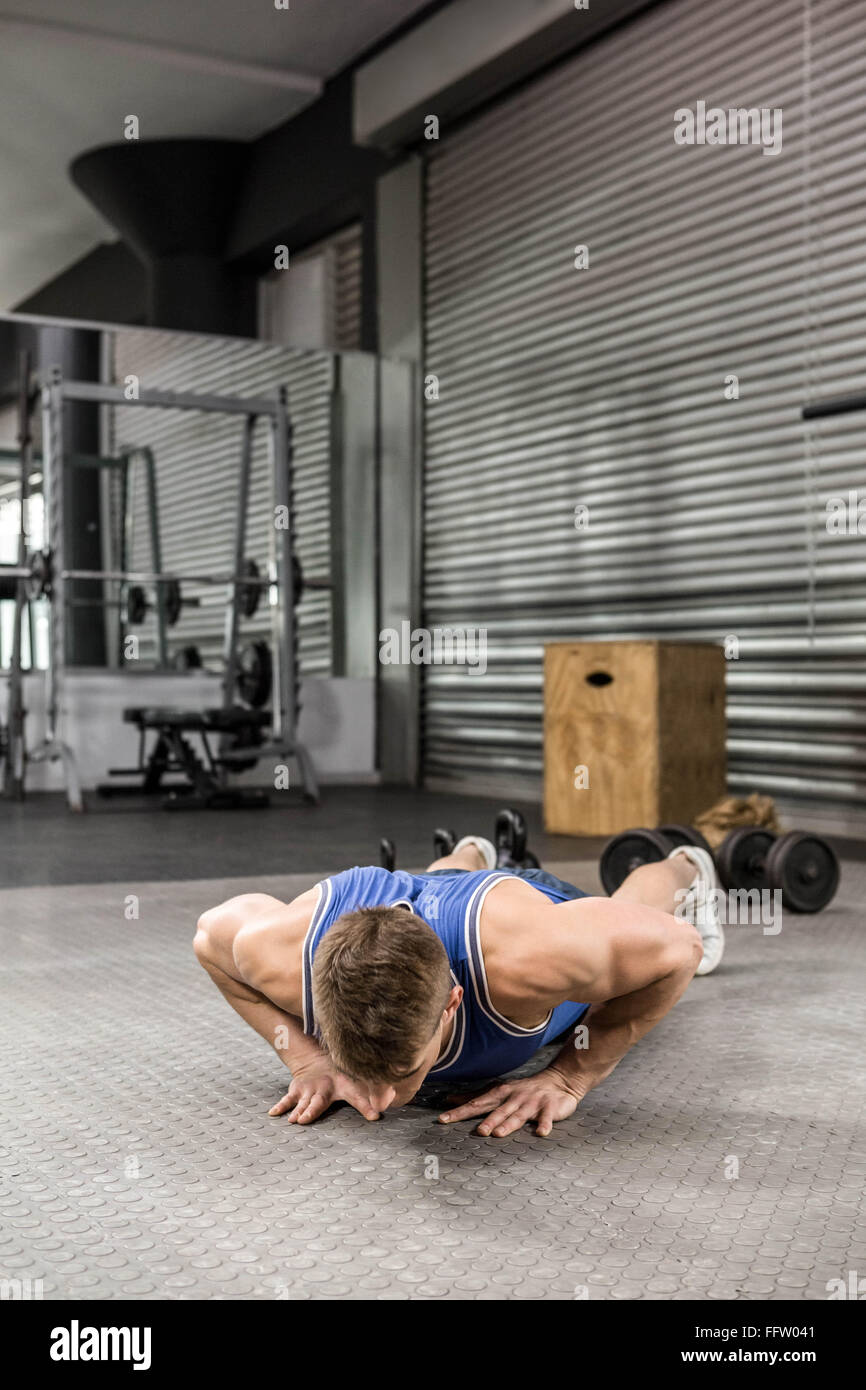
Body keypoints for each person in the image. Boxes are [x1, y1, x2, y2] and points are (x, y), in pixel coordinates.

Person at [193, 821, 722, 1139]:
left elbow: (678, 947)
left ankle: (685, 864)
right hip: (417, 900)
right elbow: (208, 937)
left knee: (631, 909)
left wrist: (570, 1078)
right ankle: (471, 851)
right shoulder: (281, 956)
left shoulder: (531, 961)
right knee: (443, 877)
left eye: (402, 1073)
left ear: (453, 1002)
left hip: (507, 913)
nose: (378, 1101)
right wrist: (309, 1058)